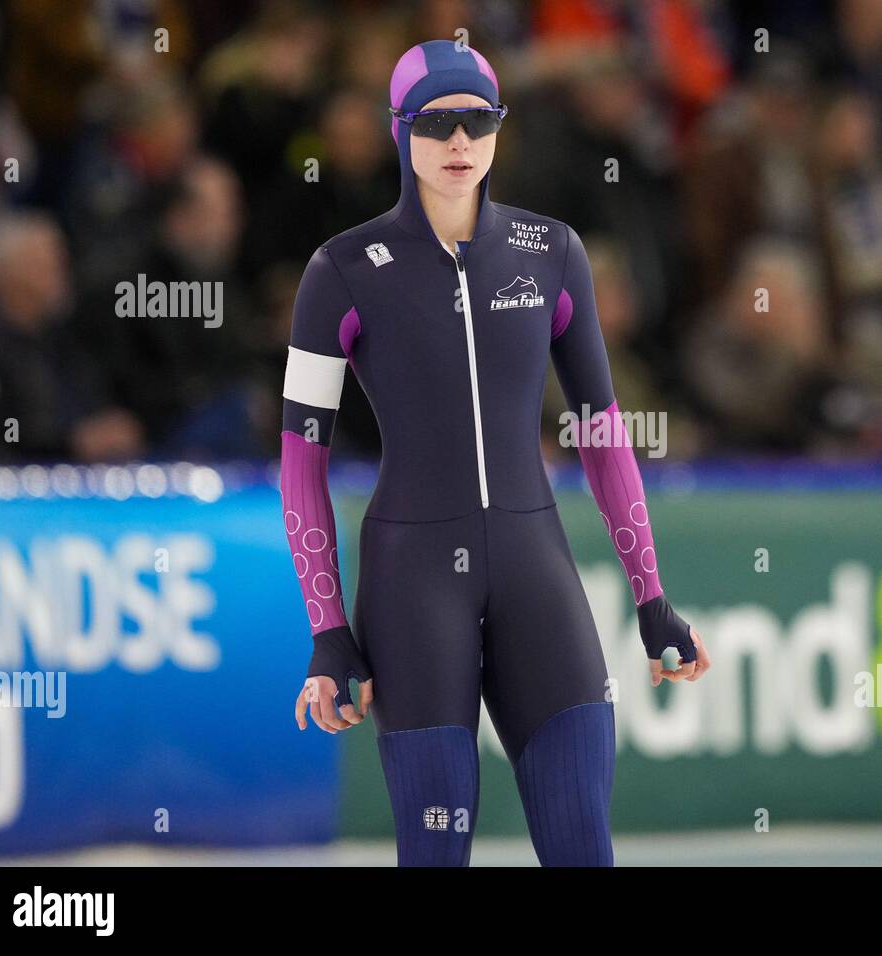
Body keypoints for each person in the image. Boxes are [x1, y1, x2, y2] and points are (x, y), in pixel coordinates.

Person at [279, 39, 709, 867]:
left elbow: (601, 428)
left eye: (477, 121)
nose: (458, 143)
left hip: (534, 570)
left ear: (500, 130)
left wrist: (652, 598)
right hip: (413, 586)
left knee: (583, 845)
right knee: (436, 853)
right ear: (399, 131)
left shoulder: (552, 253)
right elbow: (302, 464)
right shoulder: (339, 271)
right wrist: (328, 629)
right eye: (435, 123)